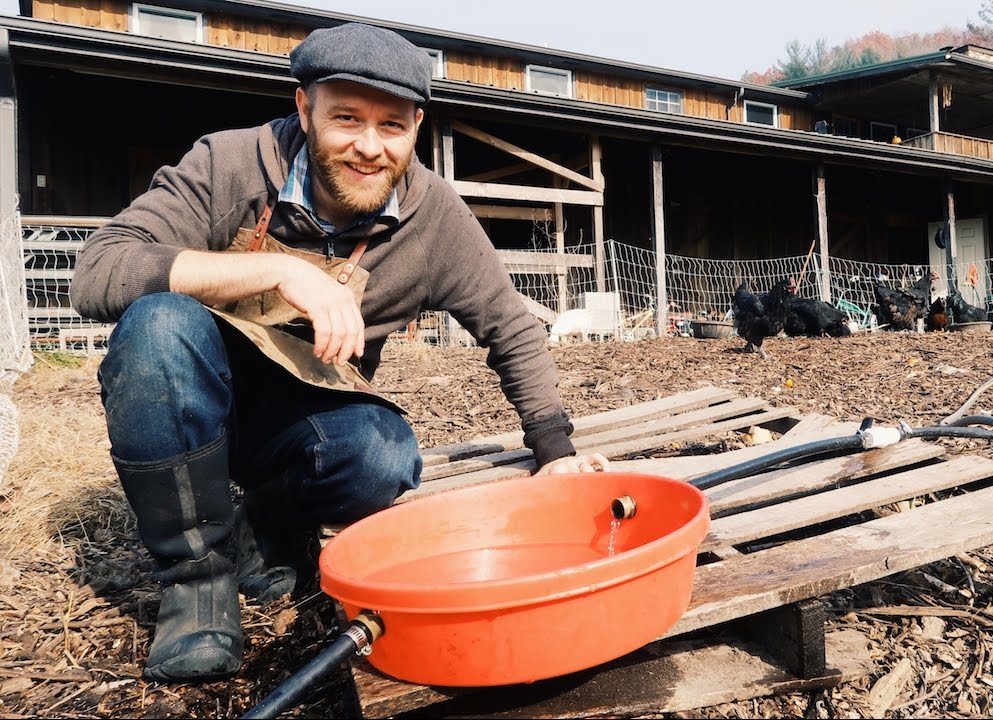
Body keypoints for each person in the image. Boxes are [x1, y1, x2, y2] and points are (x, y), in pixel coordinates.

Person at [70, 22, 608, 684]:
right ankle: (196, 584)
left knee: (383, 456)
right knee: (157, 323)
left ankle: (260, 524)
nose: (369, 147)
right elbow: (98, 272)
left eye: (392, 127)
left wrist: (555, 453)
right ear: (304, 108)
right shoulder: (228, 163)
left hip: (308, 416)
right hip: (193, 400)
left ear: (417, 127)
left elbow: (509, 326)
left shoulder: (435, 218)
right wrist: (276, 273)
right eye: (346, 119)